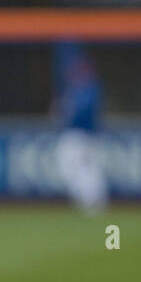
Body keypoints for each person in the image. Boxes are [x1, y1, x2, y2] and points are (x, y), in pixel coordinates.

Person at [54, 53, 107, 213]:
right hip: (74, 135)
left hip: (83, 136)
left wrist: (67, 109)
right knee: (71, 169)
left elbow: (84, 111)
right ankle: (89, 200)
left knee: (86, 170)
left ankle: (94, 201)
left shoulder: (91, 88)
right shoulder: (75, 88)